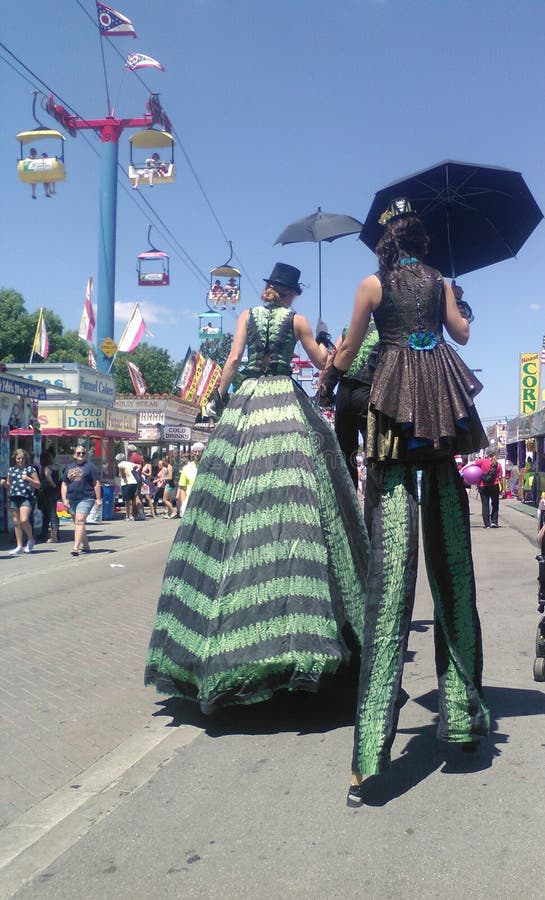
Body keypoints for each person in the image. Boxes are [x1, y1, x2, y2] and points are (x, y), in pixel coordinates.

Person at [321, 200, 490, 802]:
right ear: (421, 241)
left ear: (388, 244)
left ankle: (369, 757)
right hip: (441, 418)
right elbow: (463, 333)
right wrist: (458, 302)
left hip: (393, 422)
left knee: (390, 579)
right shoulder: (442, 281)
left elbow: (350, 348)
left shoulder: (372, 284)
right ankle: (465, 720)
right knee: (453, 566)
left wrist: (328, 377)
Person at [145, 262, 369, 712]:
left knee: (230, 495)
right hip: (286, 403)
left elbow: (231, 361)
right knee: (307, 487)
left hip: (249, 405)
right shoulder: (300, 321)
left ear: (268, 290)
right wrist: (333, 354)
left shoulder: (246, 316)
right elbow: (326, 364)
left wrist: (219, 398)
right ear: (290, 295)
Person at [328, 321, 379, 497]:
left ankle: (348, 507)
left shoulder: (348, 330)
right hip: (369, 391)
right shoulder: (386, 328)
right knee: (373, 452)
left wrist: (326, 388)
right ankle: (374, 508)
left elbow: (332, 357)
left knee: (344, 452)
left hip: (344, 391)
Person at [61, 446, 102, 556]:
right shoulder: (69, 467)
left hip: (87, 497)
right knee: (78, 523)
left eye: (83, 453)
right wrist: (64, 499)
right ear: (74, 455)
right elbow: (64, 483)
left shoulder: (90, 467)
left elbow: (96, 483)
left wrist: (98, 499)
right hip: (72, 498)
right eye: (78, 453)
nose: (81, 455)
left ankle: (75, 547)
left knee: (79, 520)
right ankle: (86, 545)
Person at [0, 448, 40, 554]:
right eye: (18, 458)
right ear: (15, 459)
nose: (20, 460)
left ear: (25, 459)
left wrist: (28, 479)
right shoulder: (11, 470)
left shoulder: (30, 469)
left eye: (22, 458)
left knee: (24, 520)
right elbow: (9, 485)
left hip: (26, 497)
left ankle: (31, 539)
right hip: (14, 497)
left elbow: (38, 484)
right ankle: (19, 546)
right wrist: (4, 483)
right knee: (16, 522)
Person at [474, 450, 503, 527]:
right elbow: (500, 477)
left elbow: (472, 464)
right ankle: (494, 522)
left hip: (483, 486)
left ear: (487, 454)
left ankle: (487, 524)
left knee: (485, 505)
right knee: (495, 504)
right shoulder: (498, 465)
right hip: (494, 486)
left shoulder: (482, 461)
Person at [37, 446, 60, 543]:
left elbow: (47, 476)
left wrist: (52, 484)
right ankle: (54, 533)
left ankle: (52, 535)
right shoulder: (56, 467)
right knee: (51, 513)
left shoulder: (46, 467)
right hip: (53, 492)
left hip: (46, 491)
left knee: (48, 513)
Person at [177, 442, 204, 516]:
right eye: (195, 451)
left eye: (200, 451)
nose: (197, 453)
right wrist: (183, 505)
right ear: (192, 453)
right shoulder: (186, 468)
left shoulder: (208, 467)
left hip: (204, 503)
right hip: (190, 502)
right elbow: (183, 488)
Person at [115, 452, 139, 521]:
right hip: (133, 482)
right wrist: (135, 471)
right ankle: (131, 515)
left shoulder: (120, 464)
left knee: (127, 500)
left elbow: (122, 473)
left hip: (126, 483)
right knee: (132, 499)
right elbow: (138, 466)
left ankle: (127, 515)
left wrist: (123, 475)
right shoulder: (129, 463)